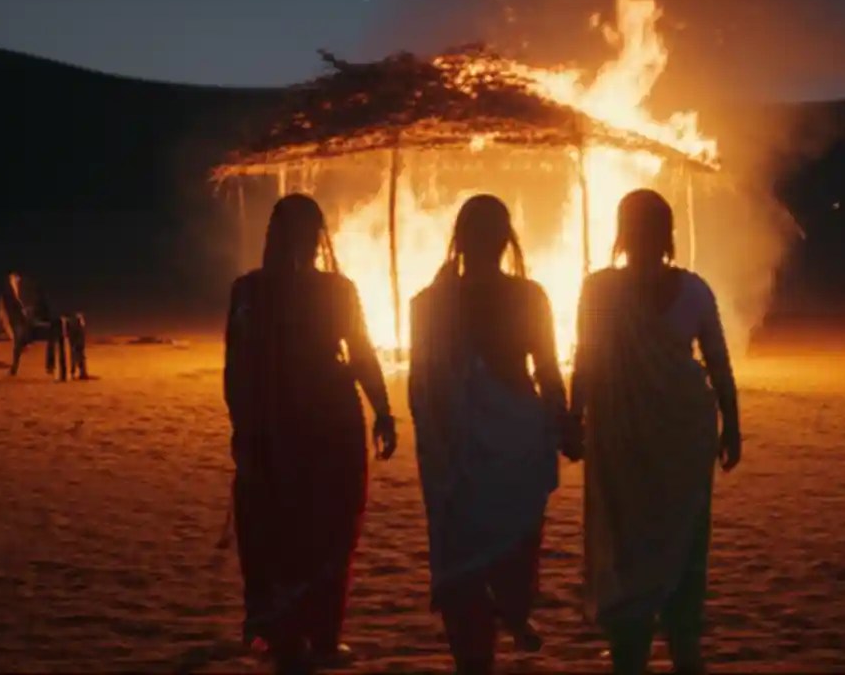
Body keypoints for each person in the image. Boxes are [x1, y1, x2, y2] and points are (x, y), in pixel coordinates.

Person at [569, 189, 741, 675]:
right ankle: (684, 647)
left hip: (623, 432)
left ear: (622, 233)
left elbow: (586, 359)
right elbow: (718, 364)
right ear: (668, 234)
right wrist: (732, 426)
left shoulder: (598, 289)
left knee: (625, 538)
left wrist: (573, 417)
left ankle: (632, 649)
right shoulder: (694, 289)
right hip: (686, 431)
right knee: (684, 534)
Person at [223, 194, 397, 674]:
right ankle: (319, 637)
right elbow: (360, 353)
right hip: (328, 425)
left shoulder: (247, 292)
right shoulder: (335, 290)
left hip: (275, 427)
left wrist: (245, 430)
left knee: (279, 530)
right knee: (328, 528)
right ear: (317, 236)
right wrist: (382, 410)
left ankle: (286, 638)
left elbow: (236, 370)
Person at [409, 194, 578, 675]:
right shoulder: (529, 297)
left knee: (463, 550)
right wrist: (562, 422)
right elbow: (548, 372)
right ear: (507, 240)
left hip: (458, 446)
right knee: (515, 540)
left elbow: (418, 387)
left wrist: (435, 443)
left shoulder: (429, 304)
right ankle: (509, 615)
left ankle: (474, 656)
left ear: (458, 241)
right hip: (517, 439)